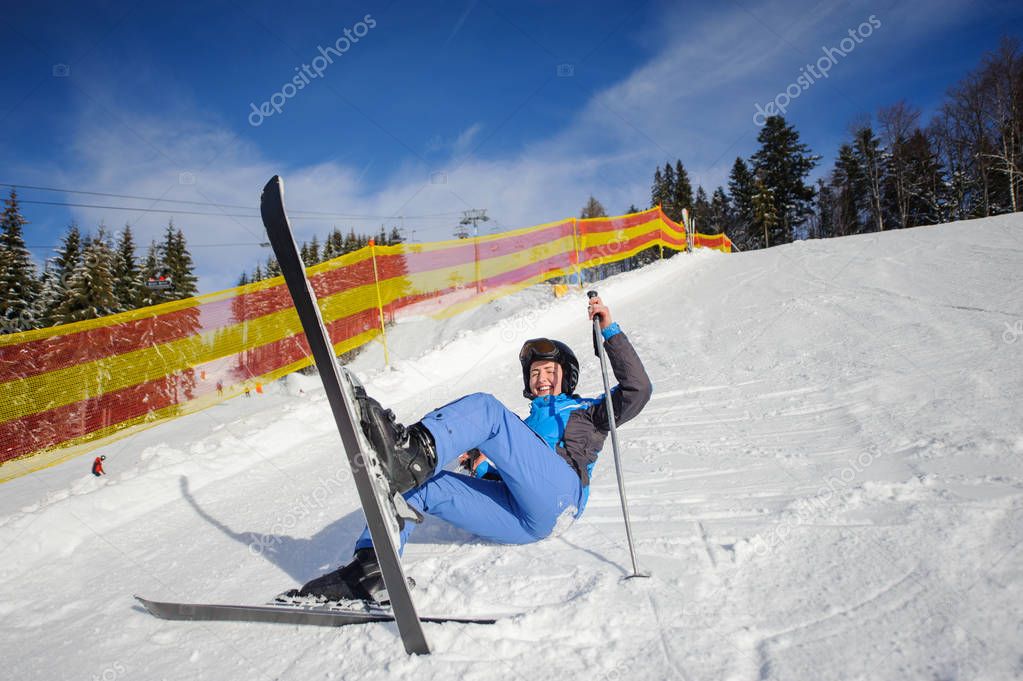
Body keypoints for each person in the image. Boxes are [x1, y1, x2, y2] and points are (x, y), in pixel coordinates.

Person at [291, 295, 652, 602]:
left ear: (567, 375)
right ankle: (371, 568)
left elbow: (638, 390)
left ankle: (412, 449)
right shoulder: (522, 429)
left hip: (562, 499)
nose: (540, 378)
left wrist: (609, 328)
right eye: (534, 373)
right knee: (422, 486)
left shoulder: (588, 412)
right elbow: (513, 478)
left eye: (548, 370)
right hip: (523, 522)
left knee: (486, 409)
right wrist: (478, 467)